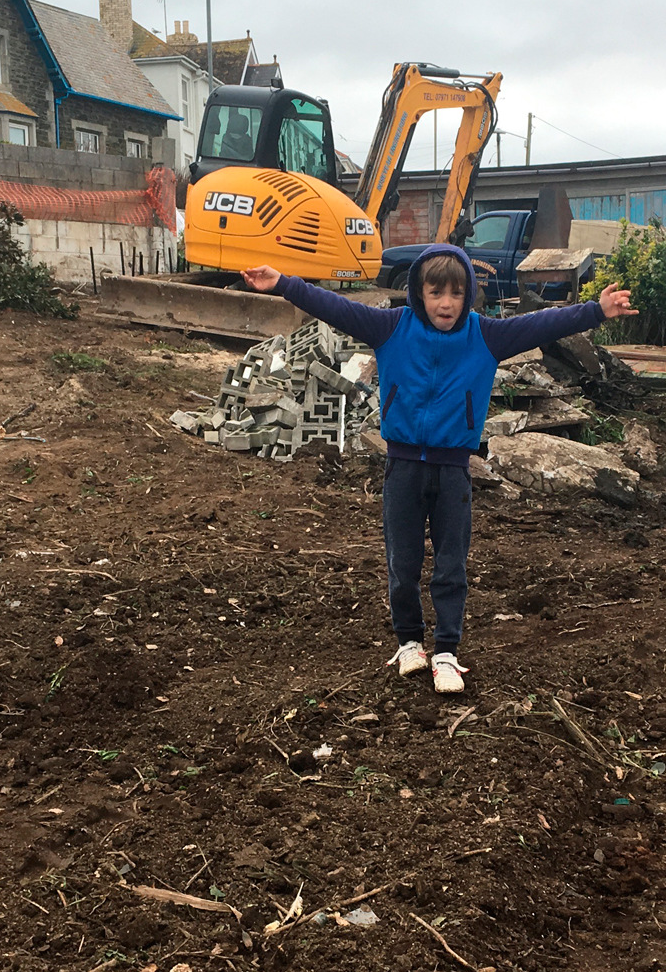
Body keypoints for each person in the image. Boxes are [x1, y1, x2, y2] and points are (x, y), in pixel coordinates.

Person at [241, 245, 636, 693]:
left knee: (451, 565)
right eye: (435, 293)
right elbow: (335, 306)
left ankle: (446, 650)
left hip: (453, 472)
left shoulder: (485, 336)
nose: (445, 303)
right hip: (403, 468)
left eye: (455, 293)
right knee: (402, 562)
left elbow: (543, 323)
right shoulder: (391, 327)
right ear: (418, 293)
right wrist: (284, 283)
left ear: (467, 296)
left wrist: (597, 311)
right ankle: (409, 643)